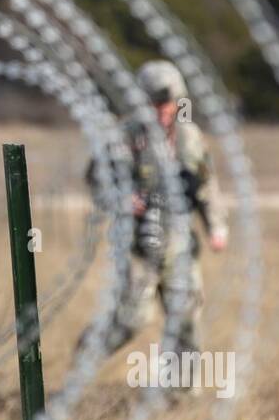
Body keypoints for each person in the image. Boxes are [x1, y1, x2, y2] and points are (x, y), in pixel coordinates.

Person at [97, 59, 228, 364]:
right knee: (132, 319)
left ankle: (182, 395)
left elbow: (207, 186)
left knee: (185, 321)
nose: (163, 110)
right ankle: (86, 361)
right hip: (137, 246)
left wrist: (216, 228)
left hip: (179, 242)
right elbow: (98, 178)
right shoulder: (125, 137)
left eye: (167, 103)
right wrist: (122, 198)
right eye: (155, 104)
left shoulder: (189, 138)